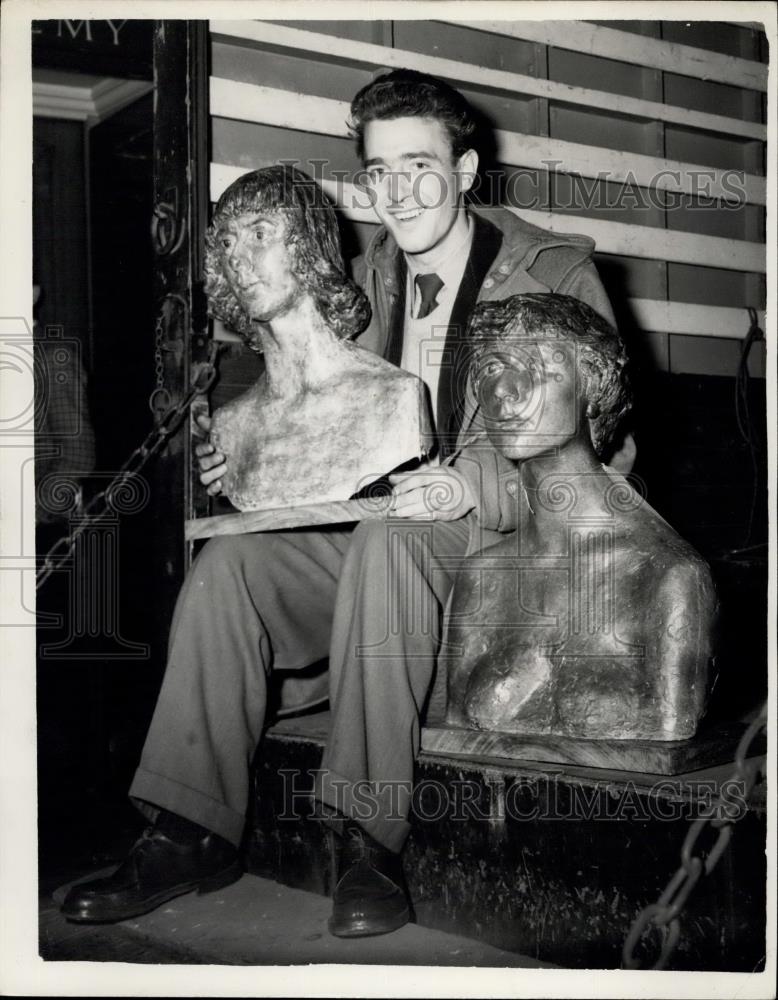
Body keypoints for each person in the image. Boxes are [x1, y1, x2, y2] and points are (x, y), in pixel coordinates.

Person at [61, 69, 627, 937]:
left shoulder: (551, 275)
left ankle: (367, 837)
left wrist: (469, 483)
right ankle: (186, 826)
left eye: (420, 168)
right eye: (379, 172)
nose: (397, 194)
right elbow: (292, 382)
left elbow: (604, 449)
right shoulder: (357, 286)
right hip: (378, 558)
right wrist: (236, 444)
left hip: (511, 555)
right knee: (232, 567)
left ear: (465, 172)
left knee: (392, 542)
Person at [444, 293, 716, 740]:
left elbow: (669, 755)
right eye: (490, 368)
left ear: (593, 386)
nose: (503, 388)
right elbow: (454, 748)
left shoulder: (668, 576)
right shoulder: (482, 577)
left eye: (535, 362)